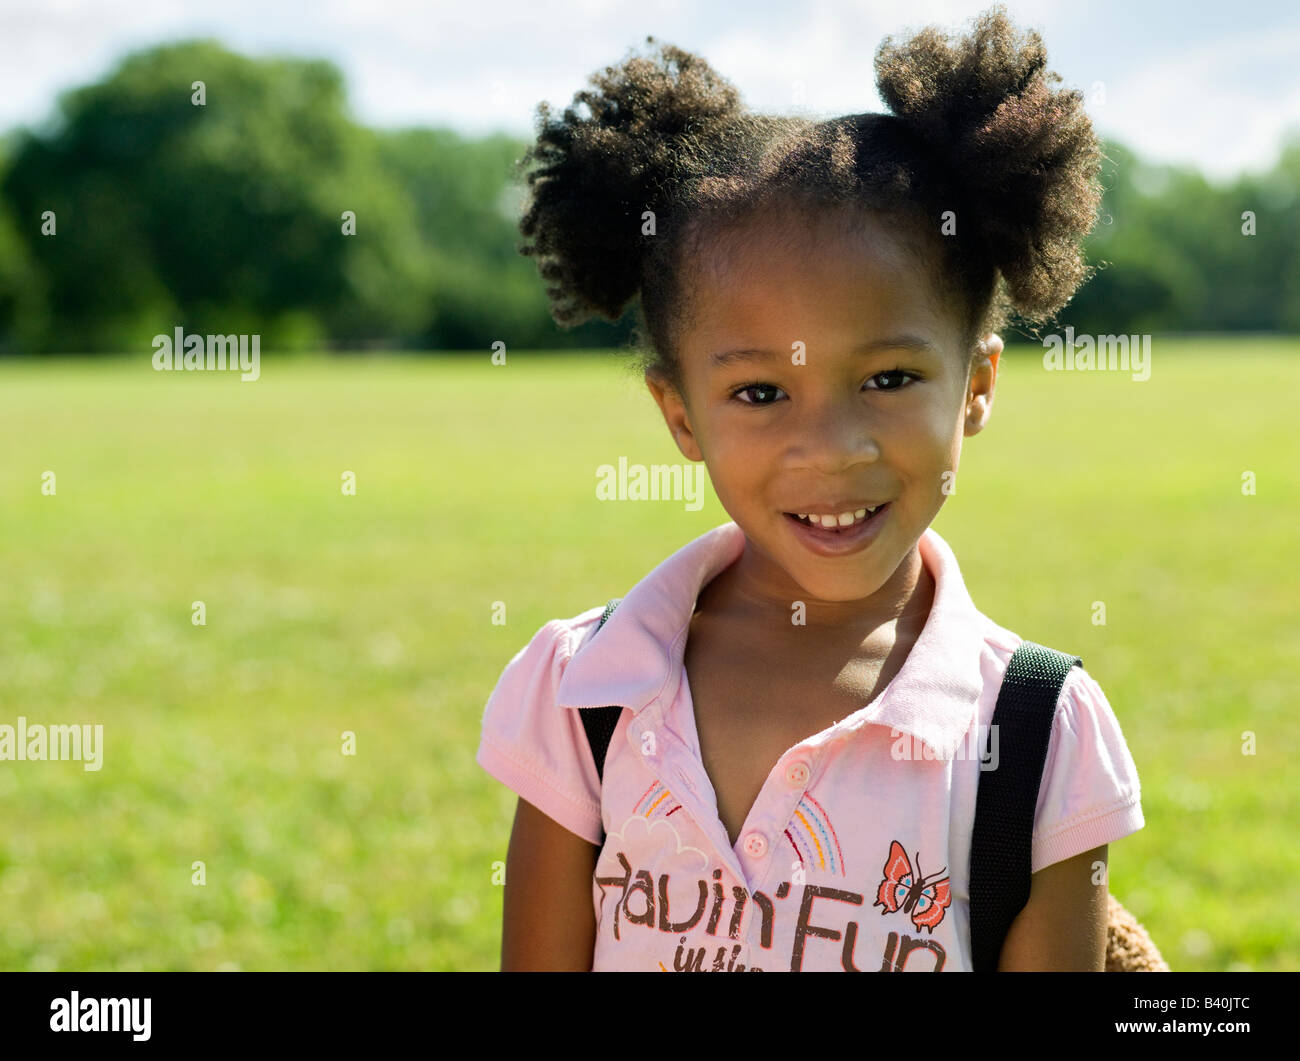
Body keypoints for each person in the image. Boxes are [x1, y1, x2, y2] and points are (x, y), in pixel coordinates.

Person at [476, 4, 1144, 971]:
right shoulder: (586, 692)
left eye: (887, 379)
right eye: (758, 392)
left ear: (978, 386)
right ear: (680, 417)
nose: (827, 449)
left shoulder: (1038, 733)